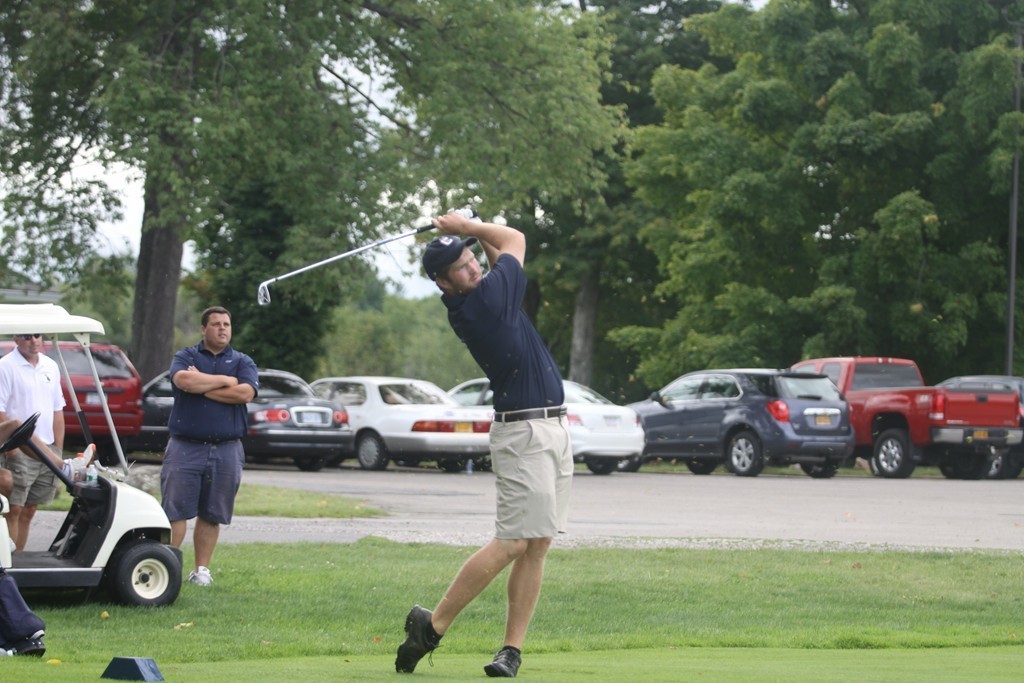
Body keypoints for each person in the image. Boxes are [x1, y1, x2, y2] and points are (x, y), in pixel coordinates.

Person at [396, 213, 573, 678]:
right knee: (514, 540)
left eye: (471, 257)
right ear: (444, 282)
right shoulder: (482, 305)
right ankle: (432, 627)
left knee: (538, 543)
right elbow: (513, 239)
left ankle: (510, 651)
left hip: (552, 428)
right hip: (524, 434)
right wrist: (468, 224)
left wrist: (473, 233)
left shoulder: (491, 292)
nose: (472, 266)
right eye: (459, 266)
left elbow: (500, 258)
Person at [160, 306, 258, 586]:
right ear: (204, 329)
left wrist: (203, 386)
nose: (222, 329)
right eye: (216, 324)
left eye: (226, 324)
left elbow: (245, 393)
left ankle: (201, 571)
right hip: (185, 447)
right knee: (175, 510)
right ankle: (167, 566)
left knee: (212, 512)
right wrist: (226, 382)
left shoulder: (242, 361)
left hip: (227, 449)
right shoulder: (186, 356)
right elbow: (183, 380)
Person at [0, 333, 65, 552]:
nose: (34, 341)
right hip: (18, 448)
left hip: (46, 448)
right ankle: (9, 568)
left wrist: (58, 449)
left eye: (37, 336)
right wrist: (13, 450)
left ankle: (20, 561)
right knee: (14, 509)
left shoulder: (51, 366)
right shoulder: (6, 366)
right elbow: (1, 411)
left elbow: (57, 410)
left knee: (29, 510)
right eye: (27, 337)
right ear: (16, 339)